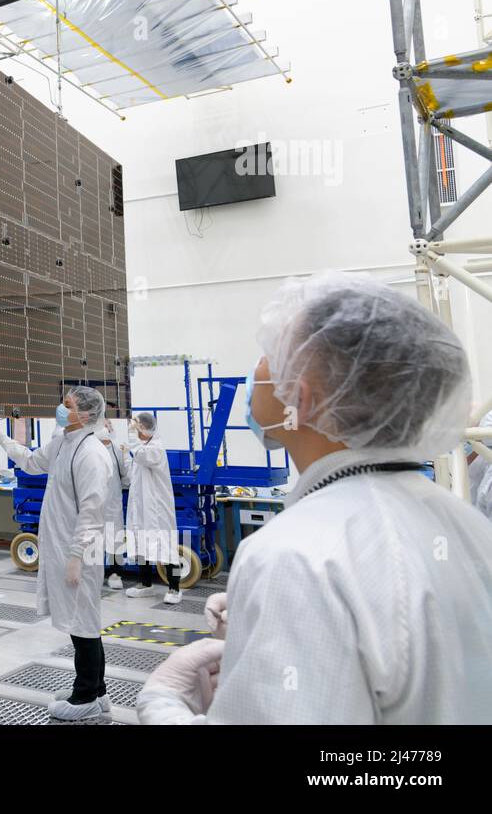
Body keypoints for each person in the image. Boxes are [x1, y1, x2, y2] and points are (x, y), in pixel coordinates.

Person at [138, 272, 492, 724]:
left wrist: (165, 704)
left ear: (300, 401)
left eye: (271, 355)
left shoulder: (296, 555)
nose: (256, 370)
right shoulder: (467, 524)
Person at [0, 387, 113, 721]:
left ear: (85, 414)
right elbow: (30, 461)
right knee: (81, 623)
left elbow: (92, 511)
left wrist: (77, 554)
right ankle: (97, 692)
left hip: (79, 551)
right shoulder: (65, 443)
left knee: (84, 624)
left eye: (67, 405)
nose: (60, 408)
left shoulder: (91, 454)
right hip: (64, 548)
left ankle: (85, 699)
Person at [121, 412, 182, 604]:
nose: (133, 428)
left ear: (144, 429)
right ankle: (145, 584)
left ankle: (175, 588)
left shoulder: (155, 448)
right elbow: (131, 474)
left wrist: (131, 438)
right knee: (140, 544)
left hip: (157, 510)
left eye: (136, 426)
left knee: (166, 546)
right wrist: (124, 455)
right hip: (141, 508)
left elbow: (141, 456)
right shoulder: (141, 448)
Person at [94, 420, 129, 589]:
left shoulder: (116, 449)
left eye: (107, 424)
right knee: (93, 540)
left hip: (113, 502)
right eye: (102, 424)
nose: (105, 427)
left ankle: (115, 574)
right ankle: (94, 574)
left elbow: (125, 475)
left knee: (115, 539)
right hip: (92, 504)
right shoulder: (88, 448)